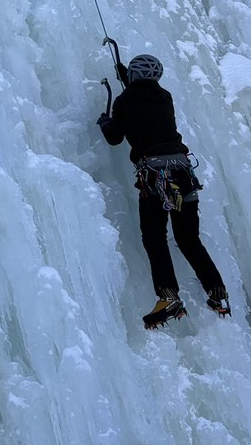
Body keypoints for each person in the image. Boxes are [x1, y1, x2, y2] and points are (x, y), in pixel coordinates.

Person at [97, 52, 230, 329]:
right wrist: (128, 80)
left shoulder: (125, 100)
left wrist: (105, 121)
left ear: (134, 75)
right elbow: (146, 105)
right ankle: (218, 294)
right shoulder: (165, 97)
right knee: (188, 238)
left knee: (155, 236)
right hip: (183, 173)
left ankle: (168, 296)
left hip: (155, 177)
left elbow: (115, 137)